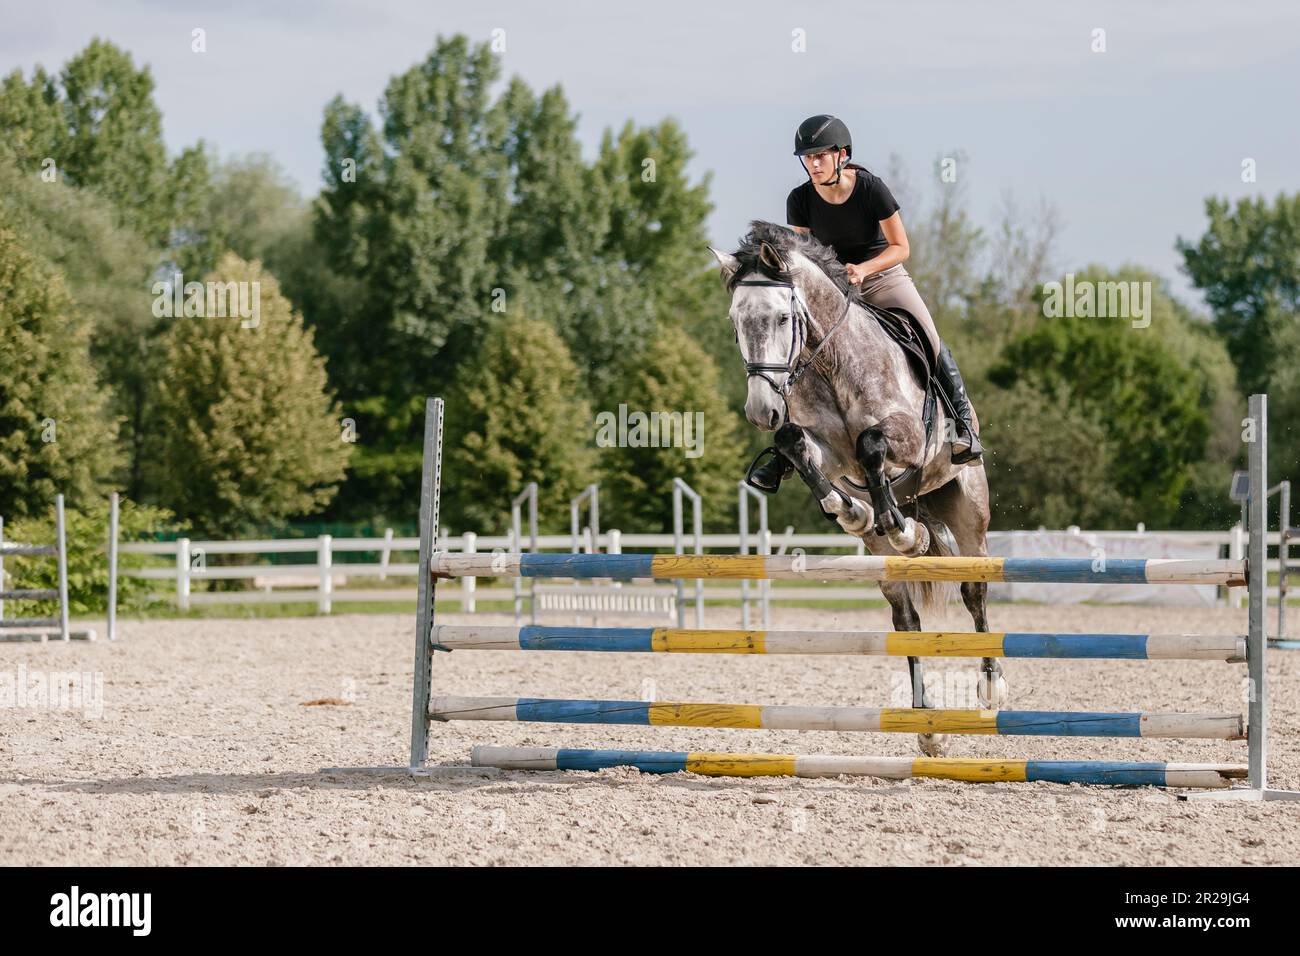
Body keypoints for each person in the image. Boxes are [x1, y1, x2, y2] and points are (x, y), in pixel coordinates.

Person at [749, 114, 982, 494]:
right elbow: (806, 256)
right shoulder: (800, 200)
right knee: (799, 350)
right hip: (834, 291)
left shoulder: (871, 189)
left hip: (882, 279)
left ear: (842, 155)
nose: (813, 164)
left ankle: (962, 425)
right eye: (807, 158)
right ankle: (787, 450)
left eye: (821, 156)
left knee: (928, 336)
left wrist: (863, 270)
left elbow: (901, 248)